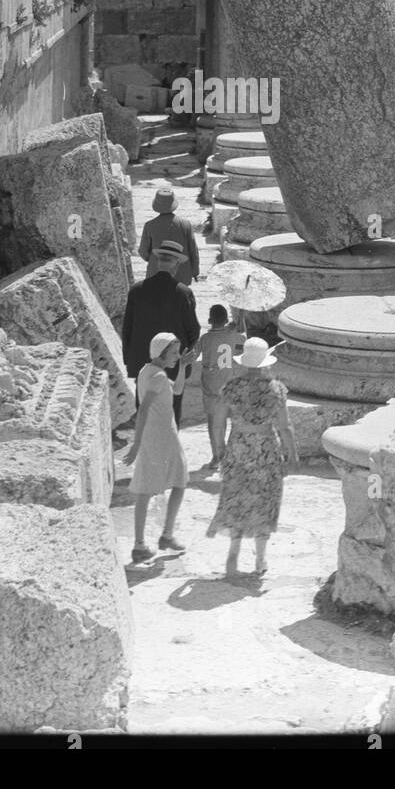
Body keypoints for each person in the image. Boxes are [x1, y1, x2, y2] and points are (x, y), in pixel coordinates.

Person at [206, 337, 298, 578]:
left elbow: (218, 424)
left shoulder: (231, 387)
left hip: (238, 446)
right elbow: (284, 427)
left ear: (244, 362)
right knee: (265, 499)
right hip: (265, 450)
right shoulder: (276, 389)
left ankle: (234, 551)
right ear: (266, 362)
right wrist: (291, 454)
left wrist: (219, 449)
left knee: (237, 495)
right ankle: (260, 558)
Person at [123, 333, 189, 563]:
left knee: (147, 489)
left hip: (158, 436)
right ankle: (164, 536)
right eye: (174, 353)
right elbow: (142, 409)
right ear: (161, 353)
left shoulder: (147, 371)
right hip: (161, 437)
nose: (177, 356)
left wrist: (183, 365)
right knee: (178, 481)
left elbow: (178, 390)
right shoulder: (158, 377)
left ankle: (143, 543)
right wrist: (136, 444)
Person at [121, 240, 199, 428]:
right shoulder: (183, 293)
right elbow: (193, 330)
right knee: (172, 410)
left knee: (144, 409)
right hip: (172, 362)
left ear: (157, 262)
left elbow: (127, 329)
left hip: (142, 362)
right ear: (177, 264)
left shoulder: (136, 290)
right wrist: (184, 360)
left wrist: (128, 360)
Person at [194, 304, 244, 470]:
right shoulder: (232, 334)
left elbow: (192, 356)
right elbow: (242, 336)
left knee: (214, 423)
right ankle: (229, 454)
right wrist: (240, 317)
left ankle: (217, 456)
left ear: (209, 320)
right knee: (230, 420)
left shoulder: (205, 339)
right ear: (226, 320)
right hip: (229, 383)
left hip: (210, 386)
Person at [139, 186, 200, 286]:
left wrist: (155, 259)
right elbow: (193, 250)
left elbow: (143, 252)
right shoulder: (185, 224)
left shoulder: (149, 225)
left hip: (156, 272)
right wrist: (195, 271)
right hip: (181, 274)